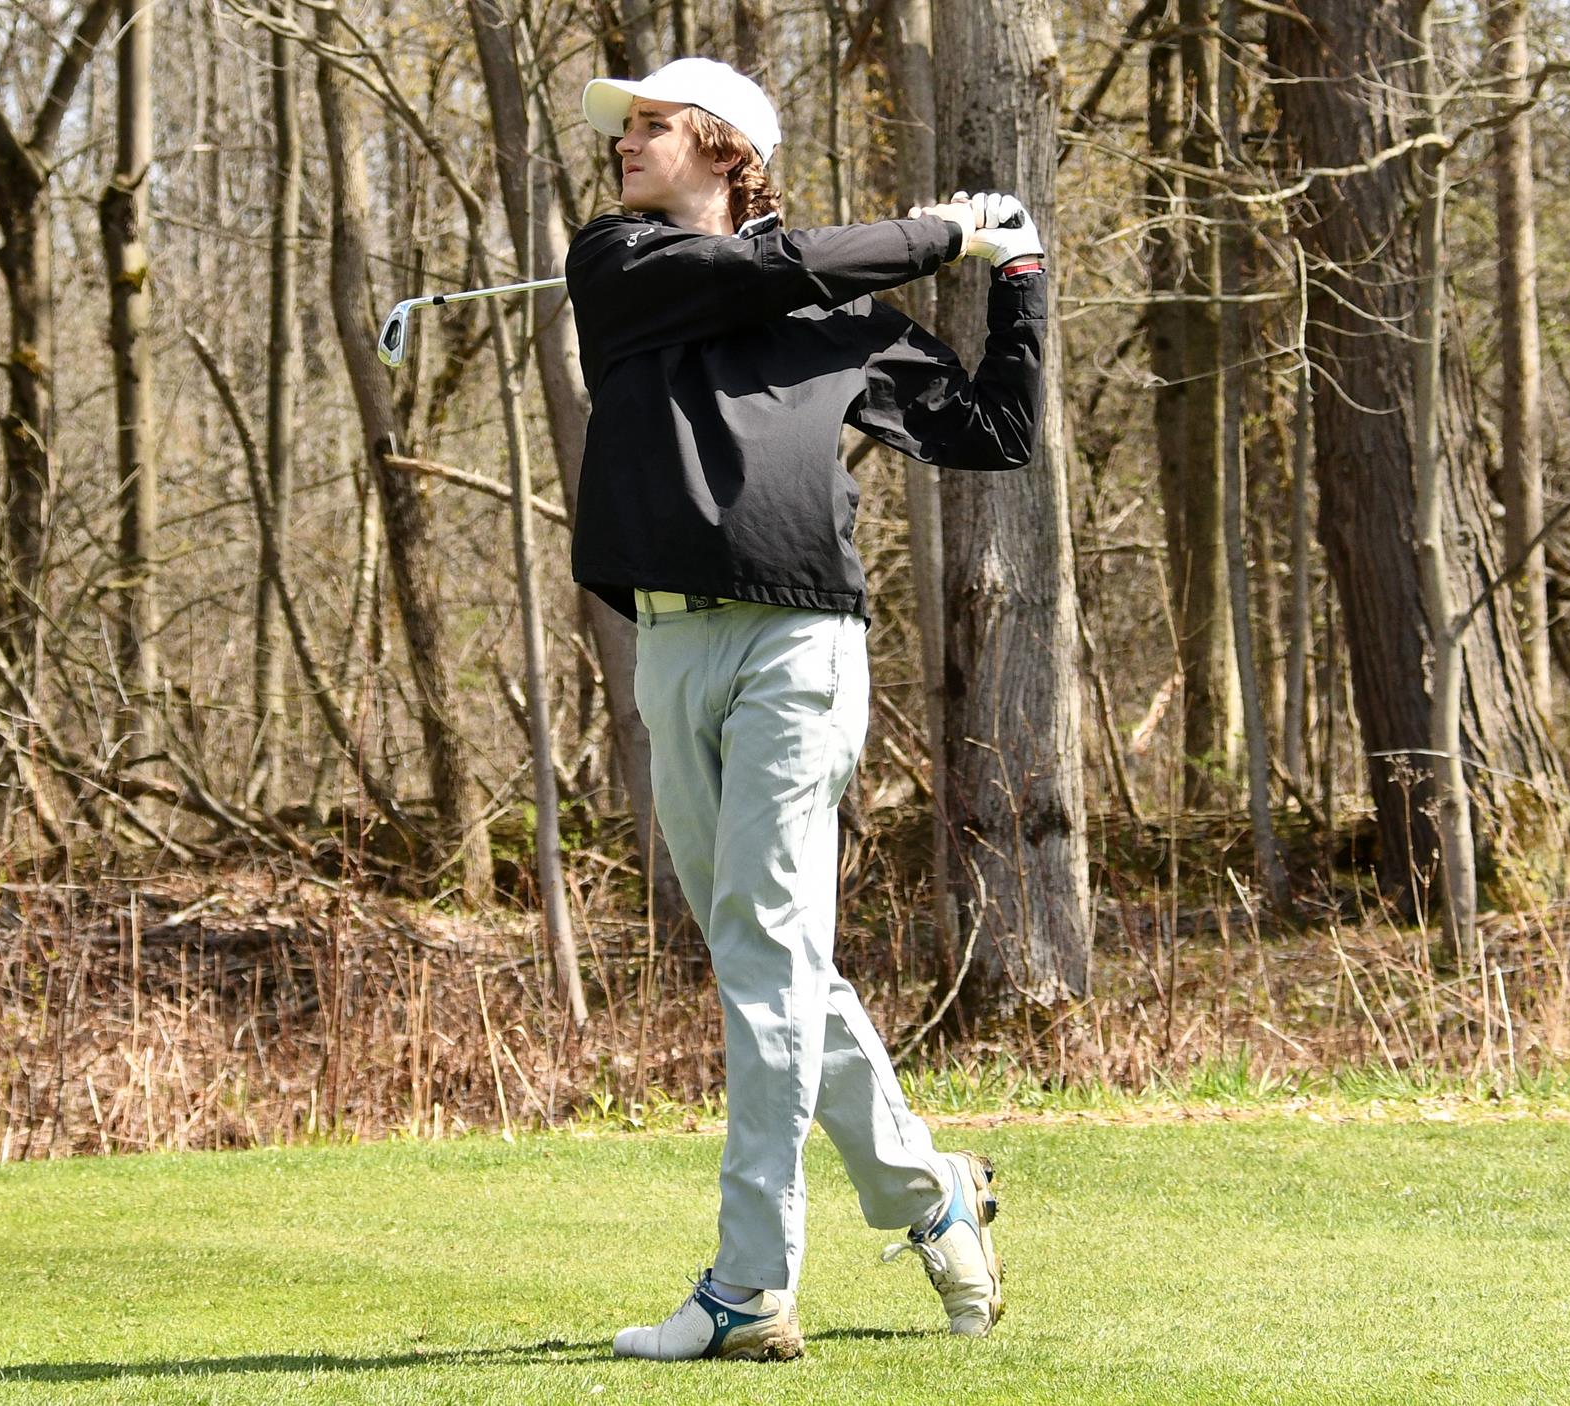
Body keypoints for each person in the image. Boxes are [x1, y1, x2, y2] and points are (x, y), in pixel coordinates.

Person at [562, 56, 1047, 1363]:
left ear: (725, 146)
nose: (627, 144)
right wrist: (941, 231)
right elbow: (763, 273)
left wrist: (1016, 280)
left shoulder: (843, 323)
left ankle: (749, 1282)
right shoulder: (618, 266)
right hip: (669, 649)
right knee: (765, 955)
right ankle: (926, 1190)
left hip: (798, 645)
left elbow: (993, 430)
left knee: (764, 942)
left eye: (654, 126)